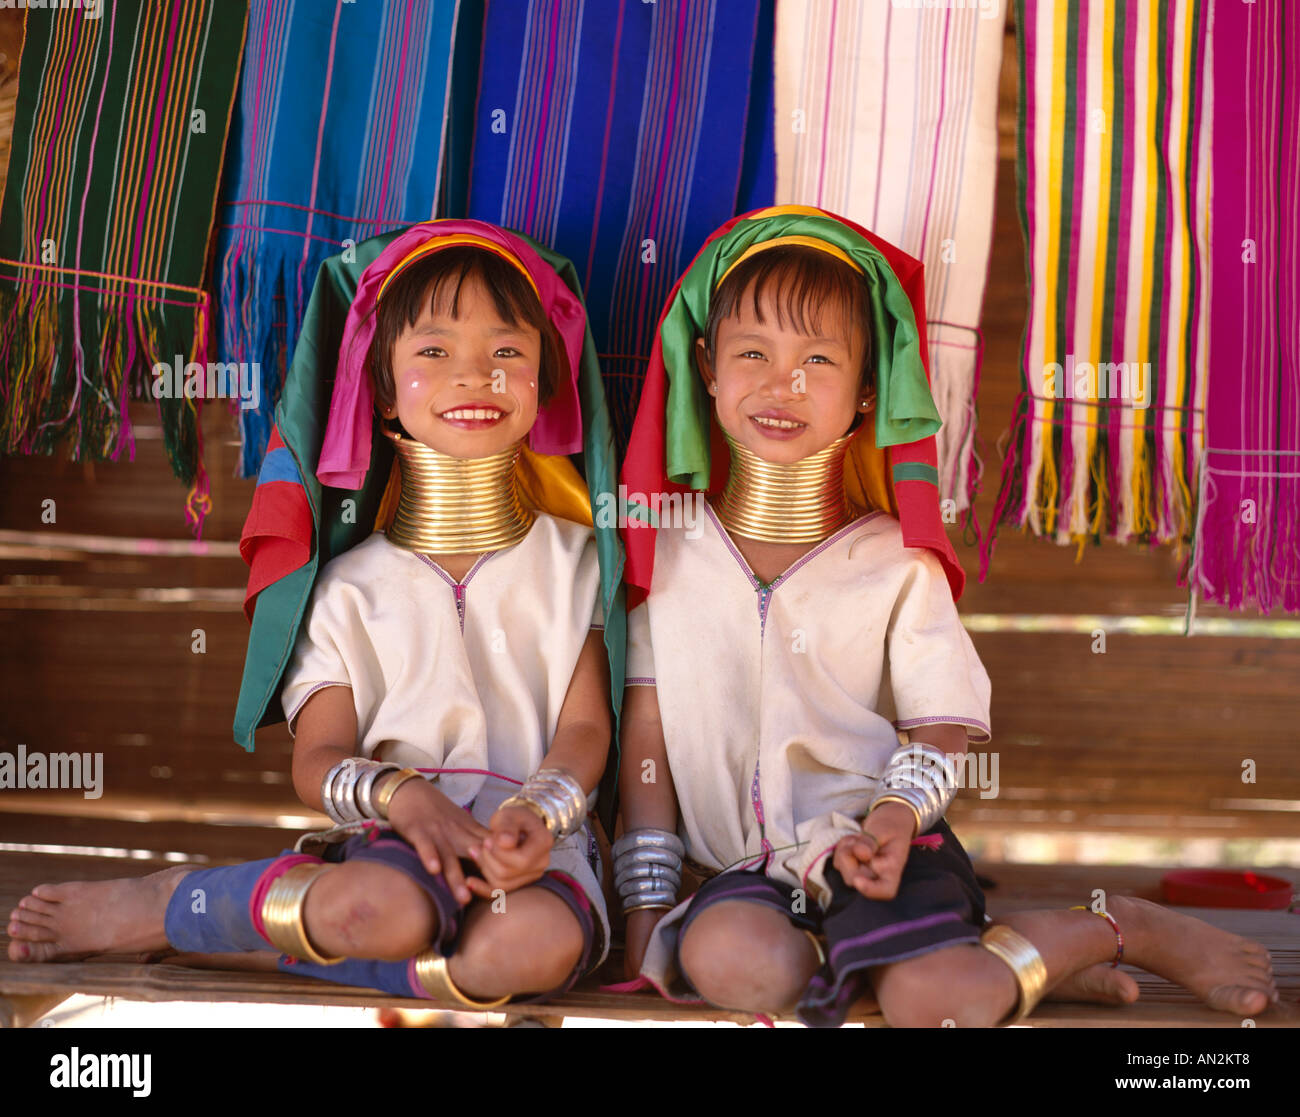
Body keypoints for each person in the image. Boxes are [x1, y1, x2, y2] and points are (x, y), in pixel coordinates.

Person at [614, 204, 1279, 1027]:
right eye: (753, 353)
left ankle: (1113, 928)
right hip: (739, 876)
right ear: (706, 367)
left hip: (886, 846)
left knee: (936, 1003)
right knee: (728, 961)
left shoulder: (899, 563)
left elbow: (940, 722)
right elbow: (648, 747)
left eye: (818, 358)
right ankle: (991, 956)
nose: (783, 384)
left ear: (869, 389)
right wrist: (648, 907)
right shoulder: (664, 555)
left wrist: (894, 819)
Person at [7, 222, 625, 1010]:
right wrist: (405, 798)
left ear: (546, 377)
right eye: (434, 351)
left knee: (524, 947)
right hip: (396, 842)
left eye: (507, 350)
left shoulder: (581, 563)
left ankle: (224, 935)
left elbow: (585, 729)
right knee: (377, 910)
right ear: (382, 389)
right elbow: (316, 759)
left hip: (536, 847)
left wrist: (535, 814)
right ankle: (173, 901)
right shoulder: (346, 588)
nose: (475, 374)